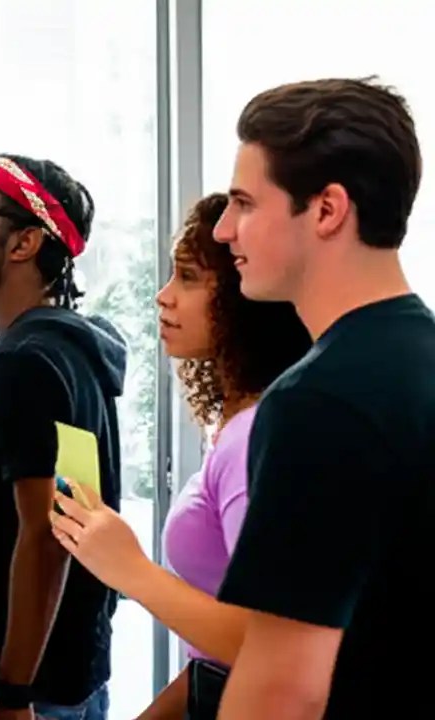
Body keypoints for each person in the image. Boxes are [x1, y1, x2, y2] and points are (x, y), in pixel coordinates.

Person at [209, 78, 433, 719]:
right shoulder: (419, 358)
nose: (224, 230)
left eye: (245, 204)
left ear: (328, 210)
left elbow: (282, 693)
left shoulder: (319, 401)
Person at [49, 193, 311, 719]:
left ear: (243, 298)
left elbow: (275, 649)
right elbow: (212, 662)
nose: (163, 296)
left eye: (188, 277)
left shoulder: (253, 436)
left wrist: (130, 568)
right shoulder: (241, 427)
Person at [0, 154, 126, 720]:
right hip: (73, 677)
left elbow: (46, 533)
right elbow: (75, 508)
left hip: (10, 688)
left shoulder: (24, 361)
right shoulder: (72, 351)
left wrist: (12, 694)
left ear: (24, 243)